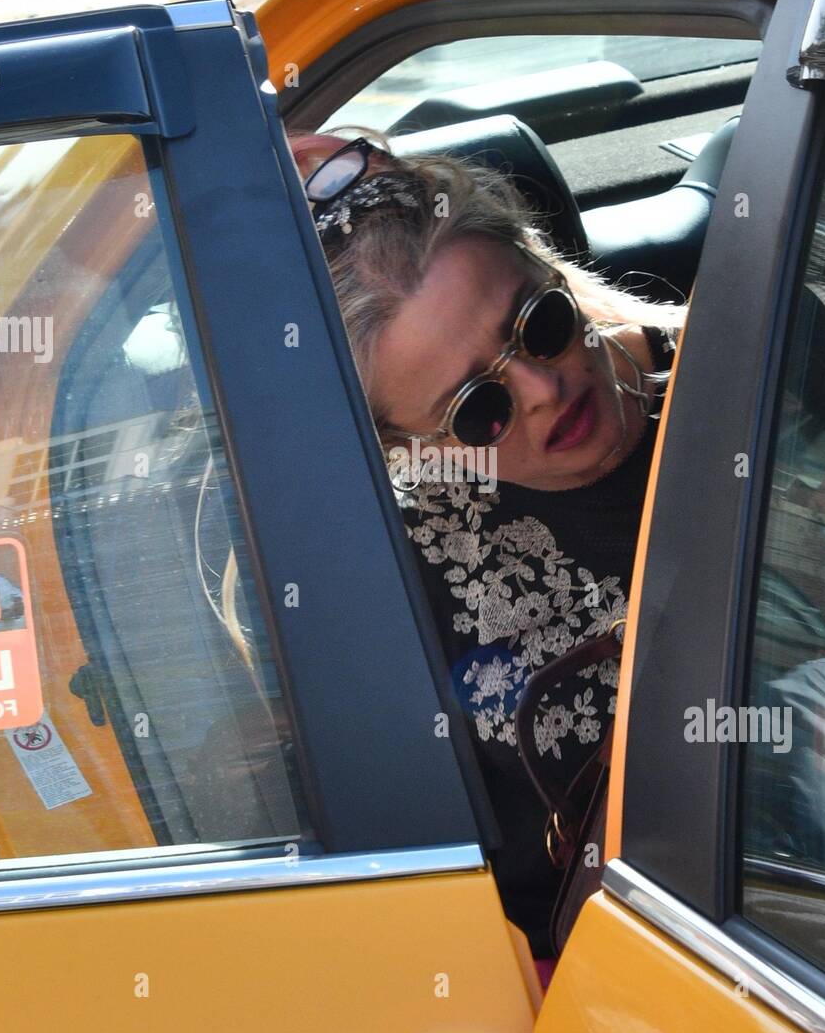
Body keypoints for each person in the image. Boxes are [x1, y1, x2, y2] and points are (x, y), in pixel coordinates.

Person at [290, 128, 684, 965]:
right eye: (479, 409)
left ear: (547, 267)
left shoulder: (751, 371)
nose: (544, 390)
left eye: (539, 323)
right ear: (411, 446)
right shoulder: (385, 579)